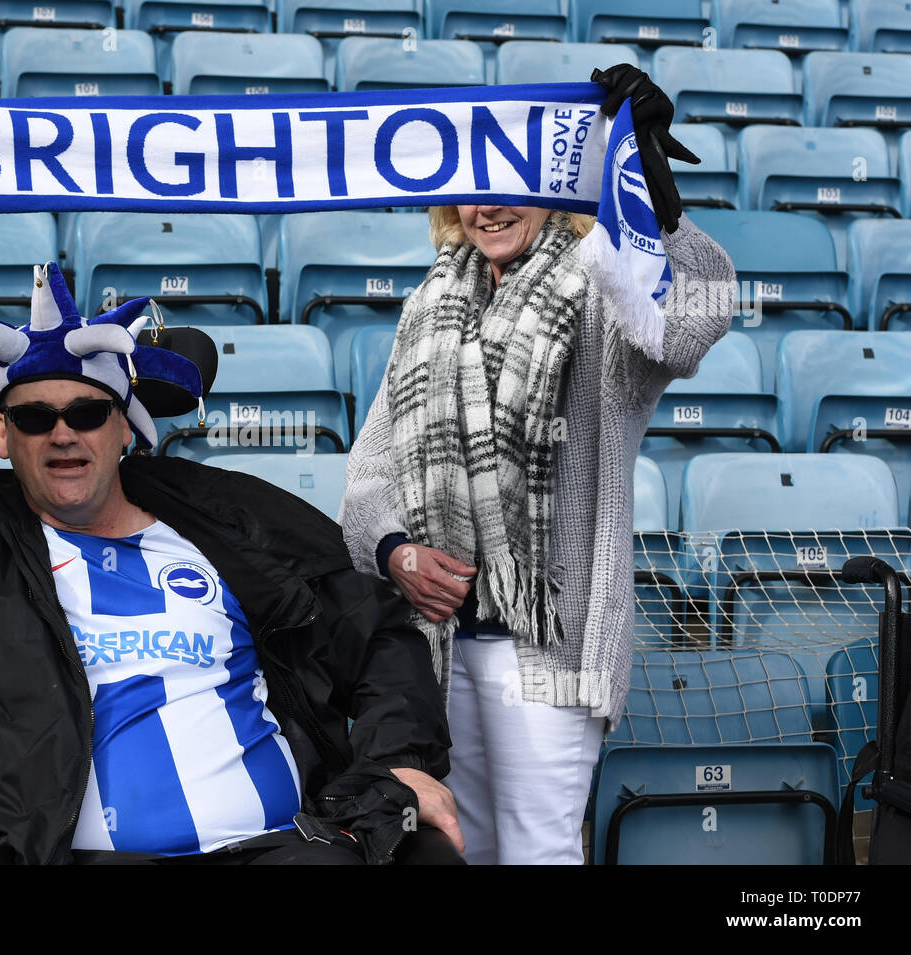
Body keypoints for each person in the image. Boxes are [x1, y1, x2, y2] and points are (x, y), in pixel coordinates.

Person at [0, 112, 463, 866]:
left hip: (280, 850)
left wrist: (399, 759)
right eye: (34, 416)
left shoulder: (229, 521)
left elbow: (375, 632)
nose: (63, 432)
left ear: (125, 426)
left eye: (87, 411)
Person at [339, 65, 738, 864]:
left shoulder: (602, 286)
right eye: (472, 187)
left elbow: (692, 319)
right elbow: (369, 475)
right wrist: (396, 553)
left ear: (555, 185)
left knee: (536, 850)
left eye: (511, 182)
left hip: (545, 647)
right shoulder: (428, 305)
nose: (489, 206)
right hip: (441, 640)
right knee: (465, 847)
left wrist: (654, 197)